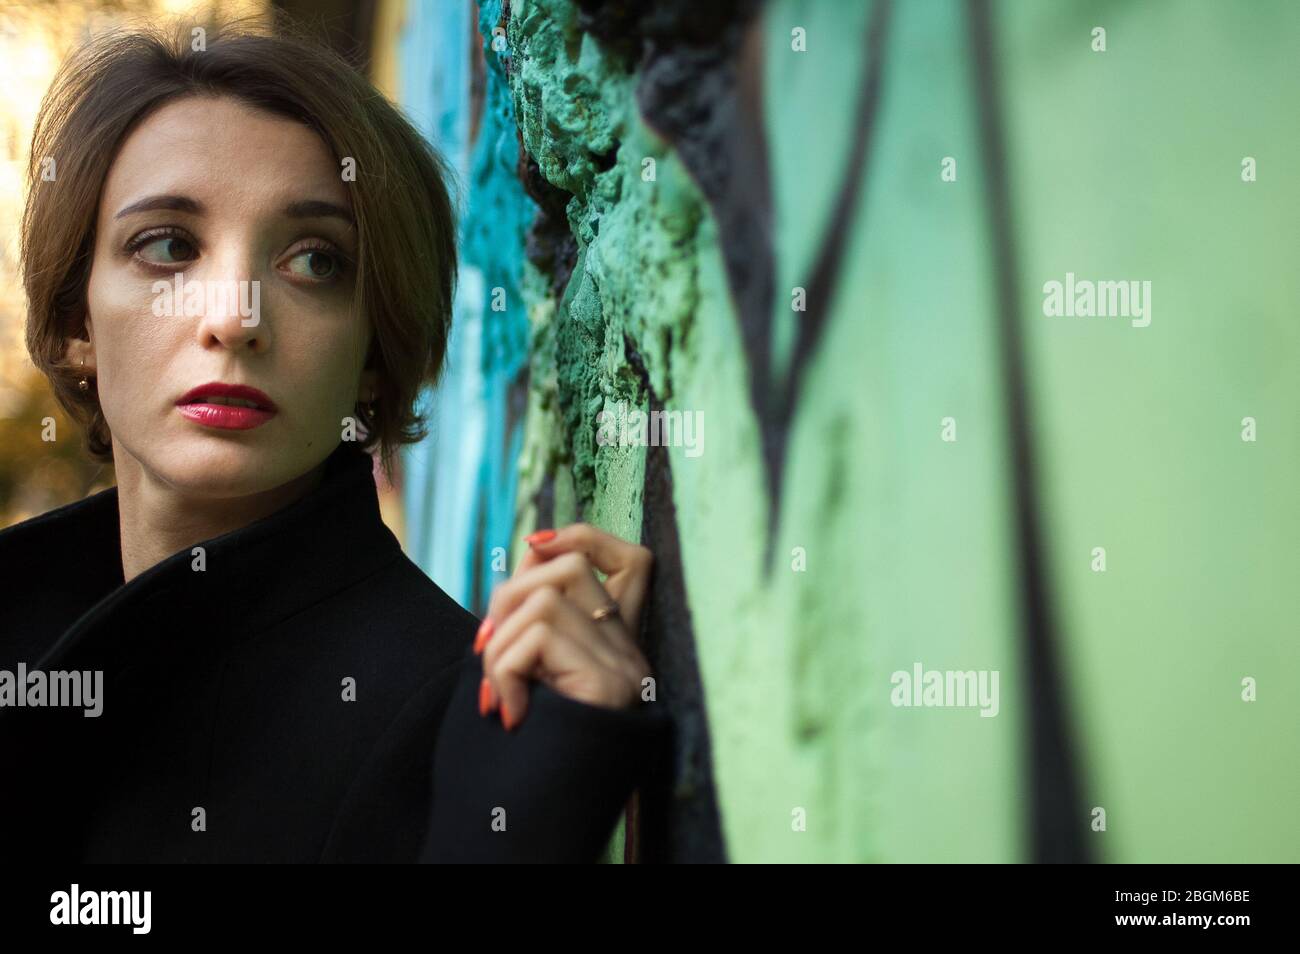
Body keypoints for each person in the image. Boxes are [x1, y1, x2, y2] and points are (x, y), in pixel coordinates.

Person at [0, 21, 671, 863]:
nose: (235, 320)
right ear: (75, 325)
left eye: (315, 262)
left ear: (372, 356)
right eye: (168, 247)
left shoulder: (445, 720)